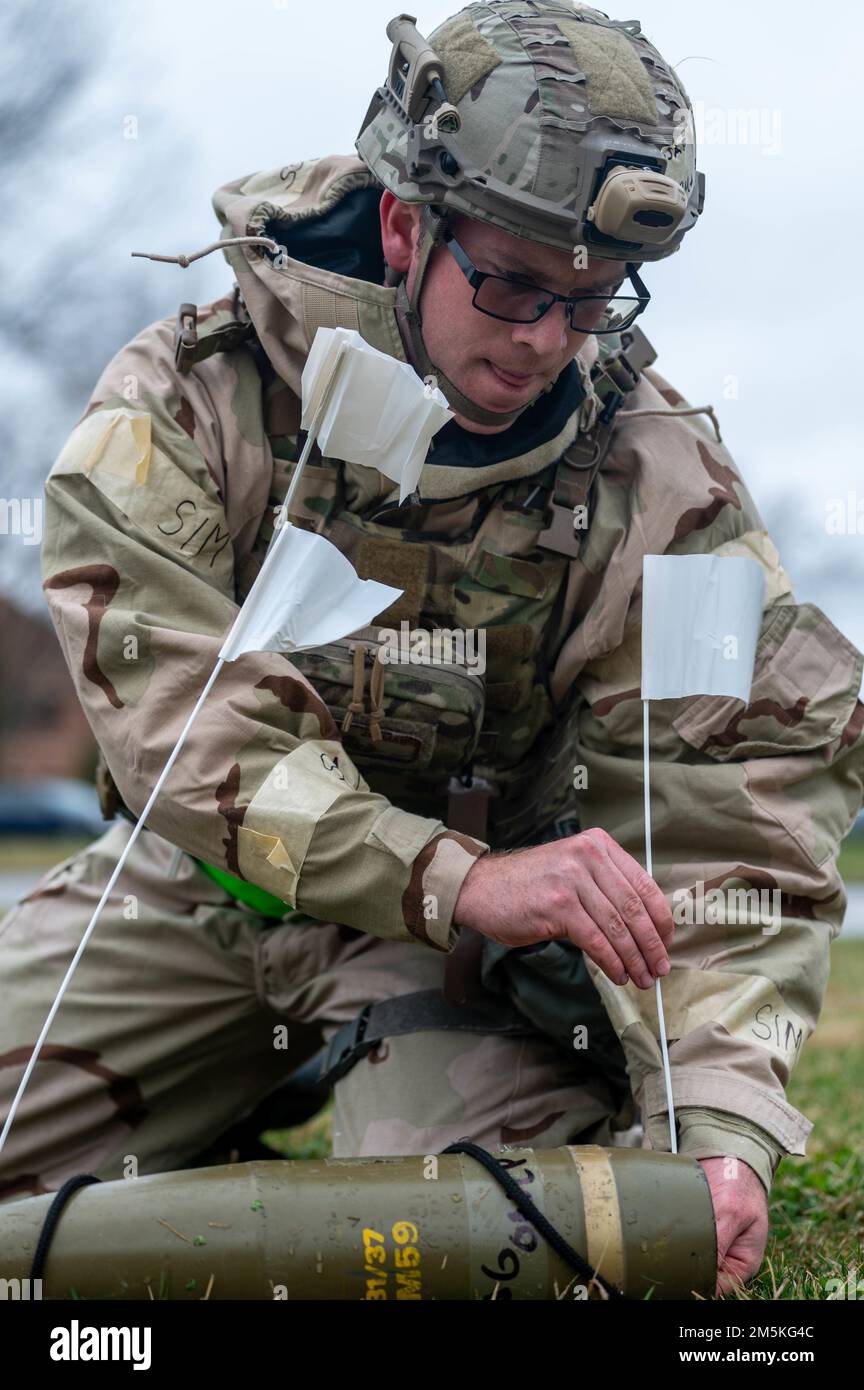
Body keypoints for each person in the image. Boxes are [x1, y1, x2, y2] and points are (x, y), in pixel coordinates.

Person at [1, 3, 861, 1302]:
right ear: (406, 227)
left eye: (586, 302)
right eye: (511, 284)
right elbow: (186, 721)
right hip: (206, 894)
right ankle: (220, 1072)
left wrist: (727, 1127)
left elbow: (737, 802)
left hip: (470, 963)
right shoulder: (194, 400)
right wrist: (456, 874)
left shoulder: (660, 486)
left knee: (525, 1250)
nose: (542, 340)